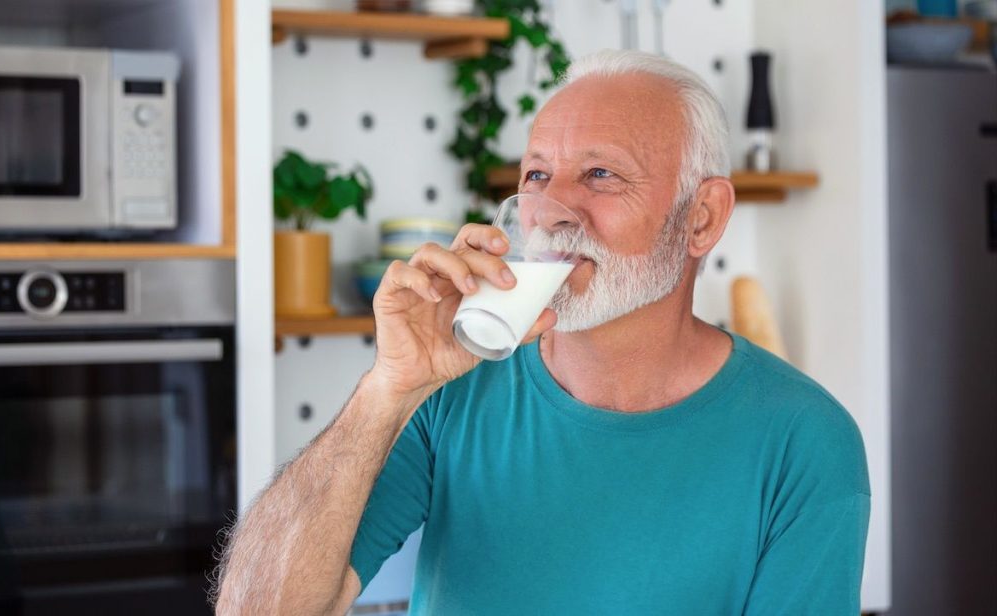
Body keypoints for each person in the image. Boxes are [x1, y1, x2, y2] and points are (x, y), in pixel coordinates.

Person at [213, 49, 870, 615]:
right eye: (536, 176)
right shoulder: (451, 392)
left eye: (600, 174)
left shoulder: (804, 442)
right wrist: (388, 388)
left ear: (701, 217)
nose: (551, 213)